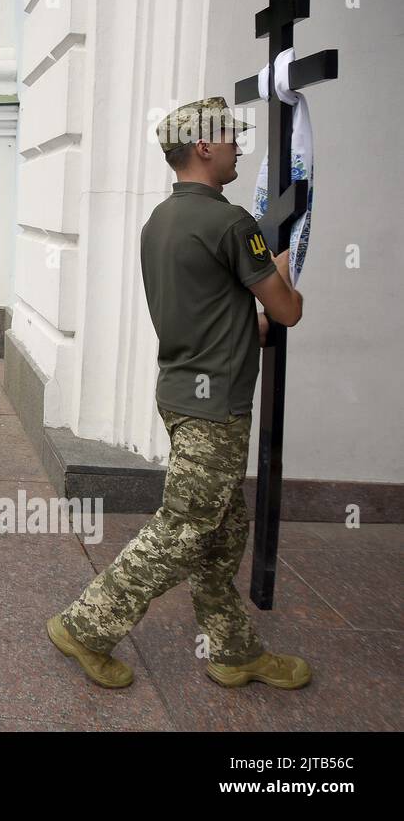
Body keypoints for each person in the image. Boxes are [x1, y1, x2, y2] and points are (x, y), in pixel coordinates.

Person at [48, 98, 311, 691]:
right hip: (214, 404)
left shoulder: (158, 222)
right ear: (203, 147)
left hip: (183, 391)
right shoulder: (231, 223)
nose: (239, 147)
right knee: (186, 527)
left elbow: (212, 312)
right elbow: (287, 310)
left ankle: (234, 649)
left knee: (221, 531)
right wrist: (287, 265)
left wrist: (254, 321)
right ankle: (87, 625)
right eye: (230, 139)